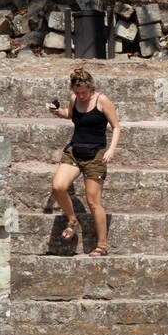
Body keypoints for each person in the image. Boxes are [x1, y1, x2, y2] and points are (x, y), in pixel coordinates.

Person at [50, 67, 120, 256]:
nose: (80, 96)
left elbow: (116, 127)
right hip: (74, 151)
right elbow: (71, 114)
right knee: (58, 186)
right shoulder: (75, 99)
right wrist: (57, 111)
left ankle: (102, 246)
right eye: (77, 92)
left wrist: (111, 150)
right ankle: (72, 220)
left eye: (83, 92)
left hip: (95, 154)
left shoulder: (102, 100)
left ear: (90, 88)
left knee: (93, 201)